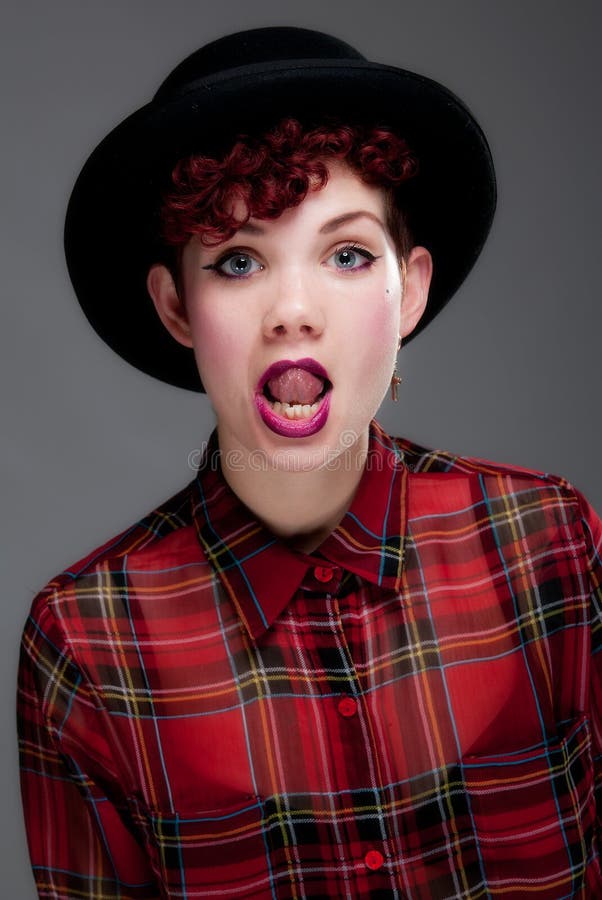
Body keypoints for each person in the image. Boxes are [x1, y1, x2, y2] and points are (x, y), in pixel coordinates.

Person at [17, 26, 602, 900]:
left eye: (347, 255)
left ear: (411, 289)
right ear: (177, 307)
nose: (293, 310)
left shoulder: (547, 543)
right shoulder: (89, 644)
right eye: (239, 260)